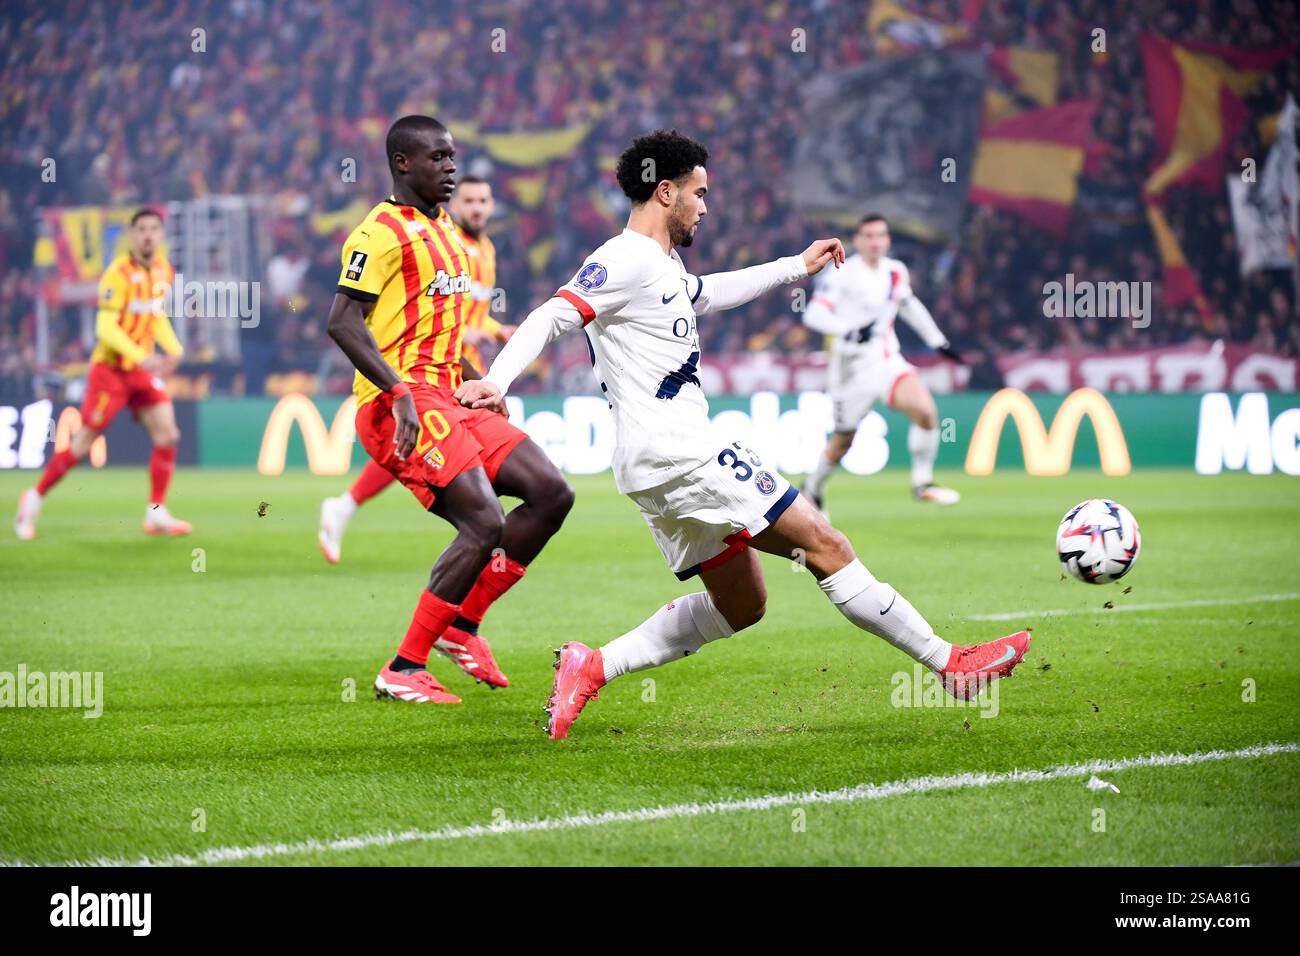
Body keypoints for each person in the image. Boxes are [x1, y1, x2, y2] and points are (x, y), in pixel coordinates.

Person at [456, 129, 1029, 740]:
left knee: (742, 605)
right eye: (699, 194)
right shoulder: (622, 259)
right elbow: (552, 313)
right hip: (683, 451)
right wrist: (498, 380)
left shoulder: (662, 265)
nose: (706, 205)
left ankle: (593, 665)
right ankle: (949, 664)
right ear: (667, 192)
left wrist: (794, 266)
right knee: (826, 545)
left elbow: (708, 293)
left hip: (651, 466)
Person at [326, 115, 573, 701]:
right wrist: (399, 391)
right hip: (397, 405)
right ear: (403, 163)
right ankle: (403, 667)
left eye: (453, 157)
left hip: (451, 395)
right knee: (484, 522)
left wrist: (483, 383)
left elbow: (443, 334)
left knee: (550, 493)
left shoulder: (453, 241)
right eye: (437, 158)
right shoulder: (377, 233)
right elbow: (342, 322)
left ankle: (462, 627)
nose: (450, 168)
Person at [318, 175, 515, 565]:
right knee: (430, 452)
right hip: (423, 365)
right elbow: (433, 311)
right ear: (455, 204)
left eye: (484, 200)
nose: (477, 208)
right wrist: (476, 336)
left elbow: (469, 312)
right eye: (469, 200)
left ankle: (345, 506)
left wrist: (494, 329)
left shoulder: (486, 251)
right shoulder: (440, 242)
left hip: (456, 364)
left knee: (417, 448)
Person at [16, 208, 191, 539]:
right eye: (142, 229)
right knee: (83, 445)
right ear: (132, 234)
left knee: (168, 435)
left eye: (154, 229)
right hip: (110, 371)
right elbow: (105, 327)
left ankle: (156, 513)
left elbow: (155, 317)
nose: (148, 235)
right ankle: (34, 498)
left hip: (141, 372)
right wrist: (142, 356)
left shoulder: (163, 271)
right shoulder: (118, 274)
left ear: (162, 235)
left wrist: (175, 348)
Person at [799, 214, 964, 509]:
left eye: (881, 236)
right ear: (858, 241)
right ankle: (813, 488)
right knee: (842, 441)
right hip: (850, 370)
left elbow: (909, 306)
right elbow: (813, 315)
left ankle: (922, 483)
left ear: (888, 240)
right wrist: (847, 330)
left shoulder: (895, 271)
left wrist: (939, 342)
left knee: (925, 411)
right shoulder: (840, 273)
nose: (876, 242)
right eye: (869, 236)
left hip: (886, 359)